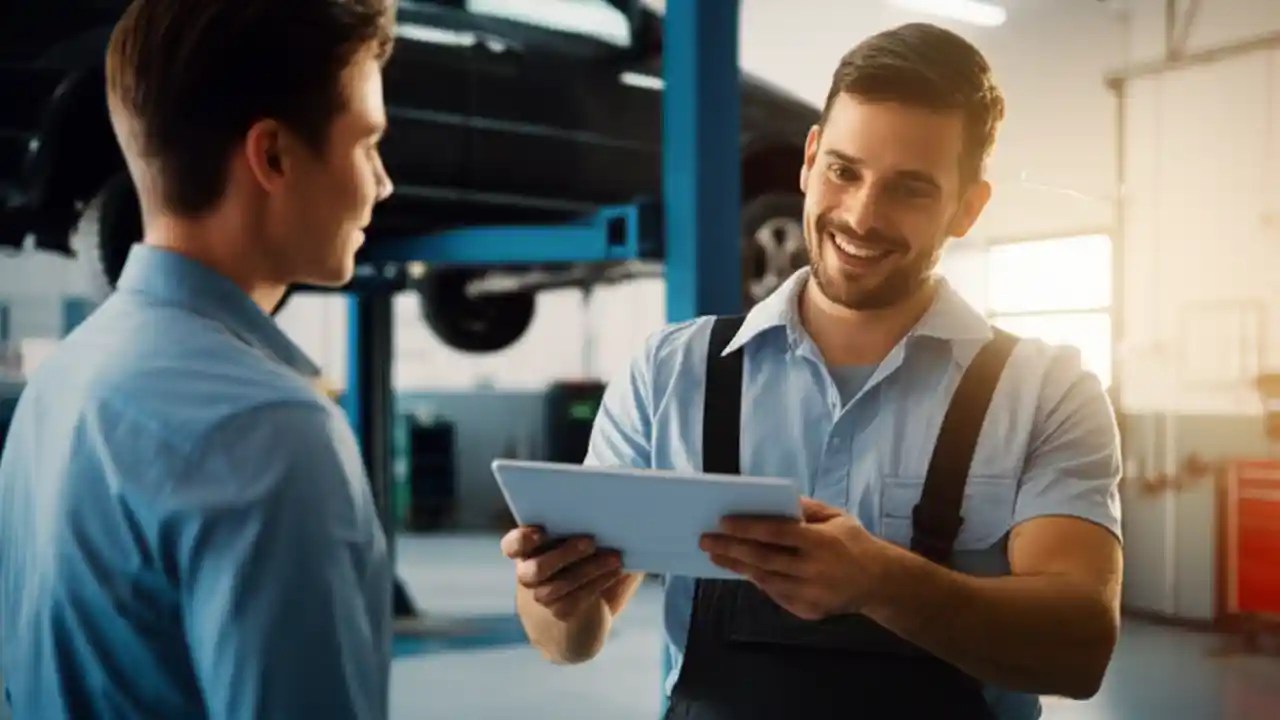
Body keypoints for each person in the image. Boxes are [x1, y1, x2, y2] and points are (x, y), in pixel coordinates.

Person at [501, 22, 1122, 720]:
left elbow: (1081, 648)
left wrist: (880, 582)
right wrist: (553, 590)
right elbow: (568, 641)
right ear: (808, 158)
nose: (861, 216)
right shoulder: (672, 373)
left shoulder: (1046, 393)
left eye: (909, 189)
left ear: (967, 208)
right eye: (843, 171)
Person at [0, 1, 396, 717]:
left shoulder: (62, 381)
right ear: (271, 155)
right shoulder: (269, 428)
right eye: (366, 144)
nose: (382, 182)